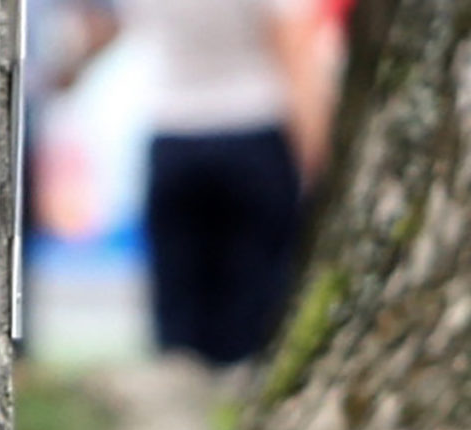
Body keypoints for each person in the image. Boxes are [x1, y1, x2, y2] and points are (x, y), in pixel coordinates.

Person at [118, 0, 337, 367]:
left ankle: (179, 411)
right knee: (253, 310)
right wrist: (318, 151)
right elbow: (293, 48)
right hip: (253, 130)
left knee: (180, 316)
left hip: (173, 131)